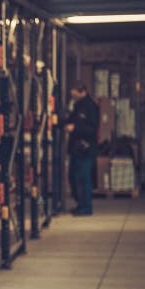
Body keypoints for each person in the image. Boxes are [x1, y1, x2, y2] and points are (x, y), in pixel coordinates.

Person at [65, 81, 100, 216]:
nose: (73, 96)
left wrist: (75, 128)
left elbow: (92, 129)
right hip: (76, 148)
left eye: (75, 93)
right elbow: (70, 120)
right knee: (73, 177)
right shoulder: (77, 106)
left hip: (86, 149)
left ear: (82, 91)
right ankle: (80, 204)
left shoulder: (90, 107)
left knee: (83, 178)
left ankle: (86, 207)